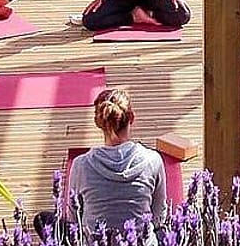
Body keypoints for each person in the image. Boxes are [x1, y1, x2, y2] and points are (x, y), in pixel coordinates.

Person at [65, 88, 168, 235]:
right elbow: (158, 216)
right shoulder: (153, 160)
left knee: (43, 219)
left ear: (98, 123)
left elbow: (74, 219)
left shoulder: (80, 165)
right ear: (132, 118)